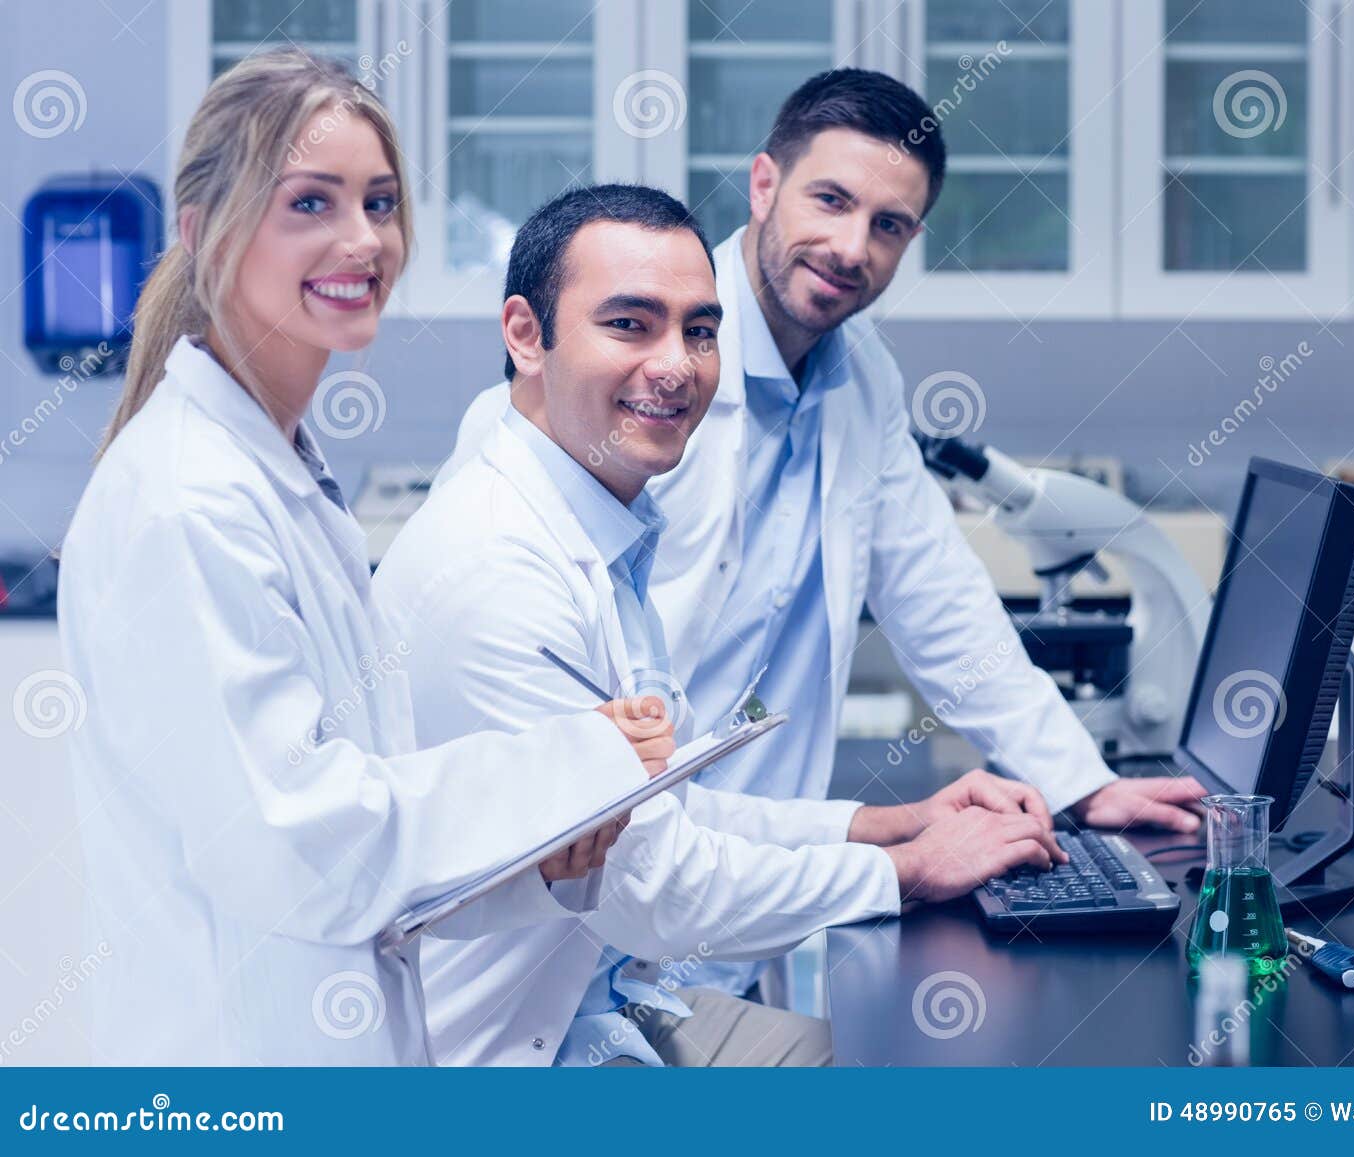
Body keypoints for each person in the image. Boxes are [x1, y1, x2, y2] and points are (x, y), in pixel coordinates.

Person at [438, 70, 1210, 1000]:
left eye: (889, 225)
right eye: (832, 200)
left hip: (749, 879)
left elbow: (939, 598)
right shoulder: (623, 384)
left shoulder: (862, 376)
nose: (851, 247)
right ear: (764, 184)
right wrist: (903, 859)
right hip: (601, 916)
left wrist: (1082, 787)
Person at [57, 51, 667, 1066]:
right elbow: (306, 848)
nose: (363, 238)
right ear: (205, 233)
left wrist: (542, 851)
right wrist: (571, 760)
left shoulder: (278, 470)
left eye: (379, 201)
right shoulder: (188, 500)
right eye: (310, 201)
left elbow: (360, 830)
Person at [374, 184, 1062, 1067]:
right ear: (524, 333)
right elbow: (655, 890)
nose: (678, 364)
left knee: (928, 1071)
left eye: (700, 331)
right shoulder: (503, 574)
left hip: (607, 1007)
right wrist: (910, 871)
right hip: (507, 1057)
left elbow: (663, 819)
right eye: (630, 324)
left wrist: (888, 824)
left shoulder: (598, 531)